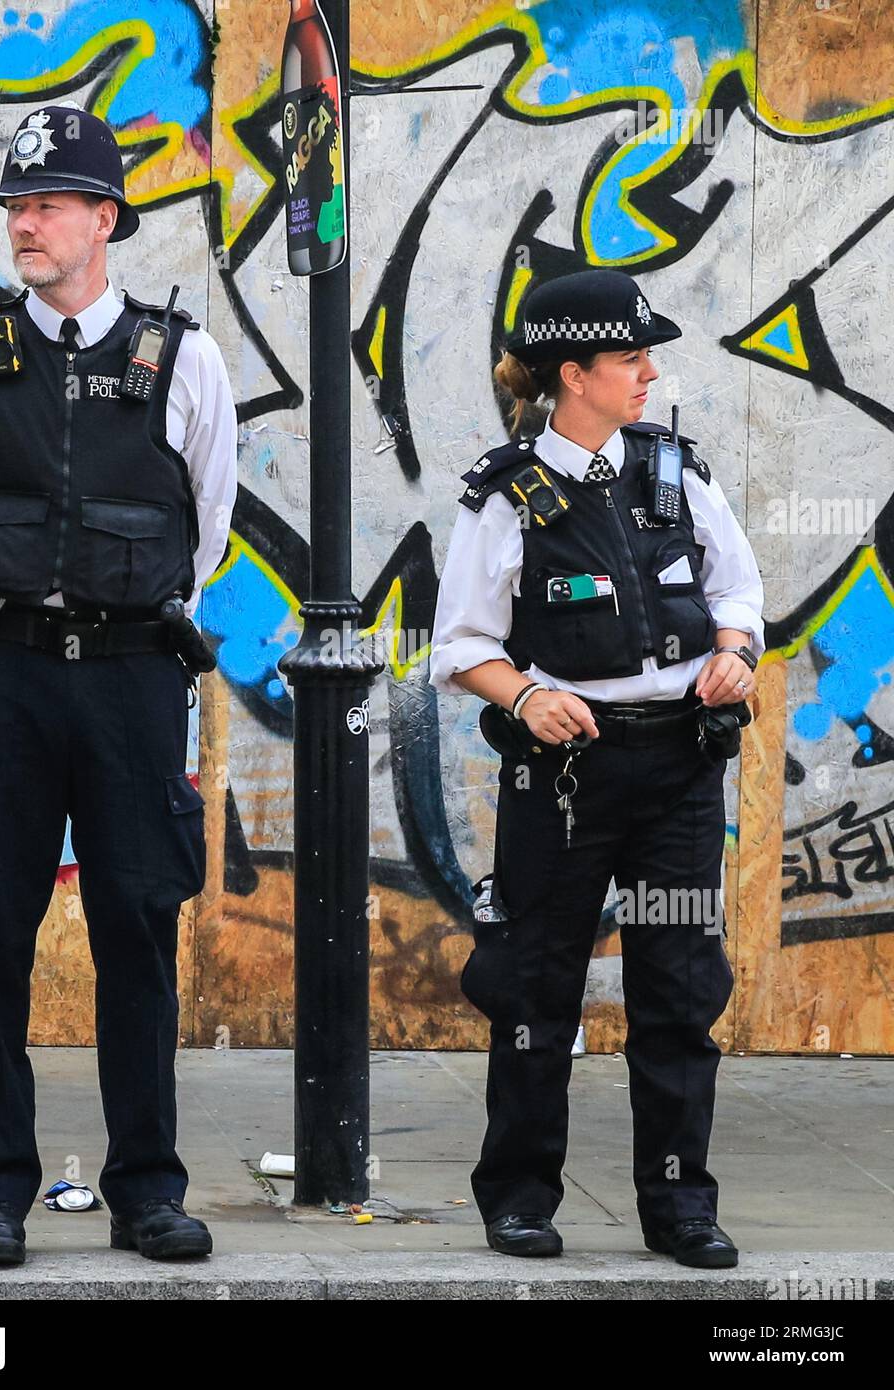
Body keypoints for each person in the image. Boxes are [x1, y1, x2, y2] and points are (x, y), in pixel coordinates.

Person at [0, 102, 238, 1266]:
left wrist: (115, 606)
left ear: (105, 219)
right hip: (1, 681)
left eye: (46, 205)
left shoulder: (181, 356)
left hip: (131, 682)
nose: (24, 226)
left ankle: (147, 1187)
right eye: (15, 207)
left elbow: (207, 524)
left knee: (138, 930)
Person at [429, 269, 765, 1268]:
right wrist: (526, 694)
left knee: (676, 989)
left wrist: (734, 654)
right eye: (628, 357)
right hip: (564, 781)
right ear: (571, 373)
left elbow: (737, 589)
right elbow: (458, 643)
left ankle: (677, 1209)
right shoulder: (506, 496)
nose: (646, 373)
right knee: (534, 991)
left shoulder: (673, 473)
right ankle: (521, 1199)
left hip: (676, 776)